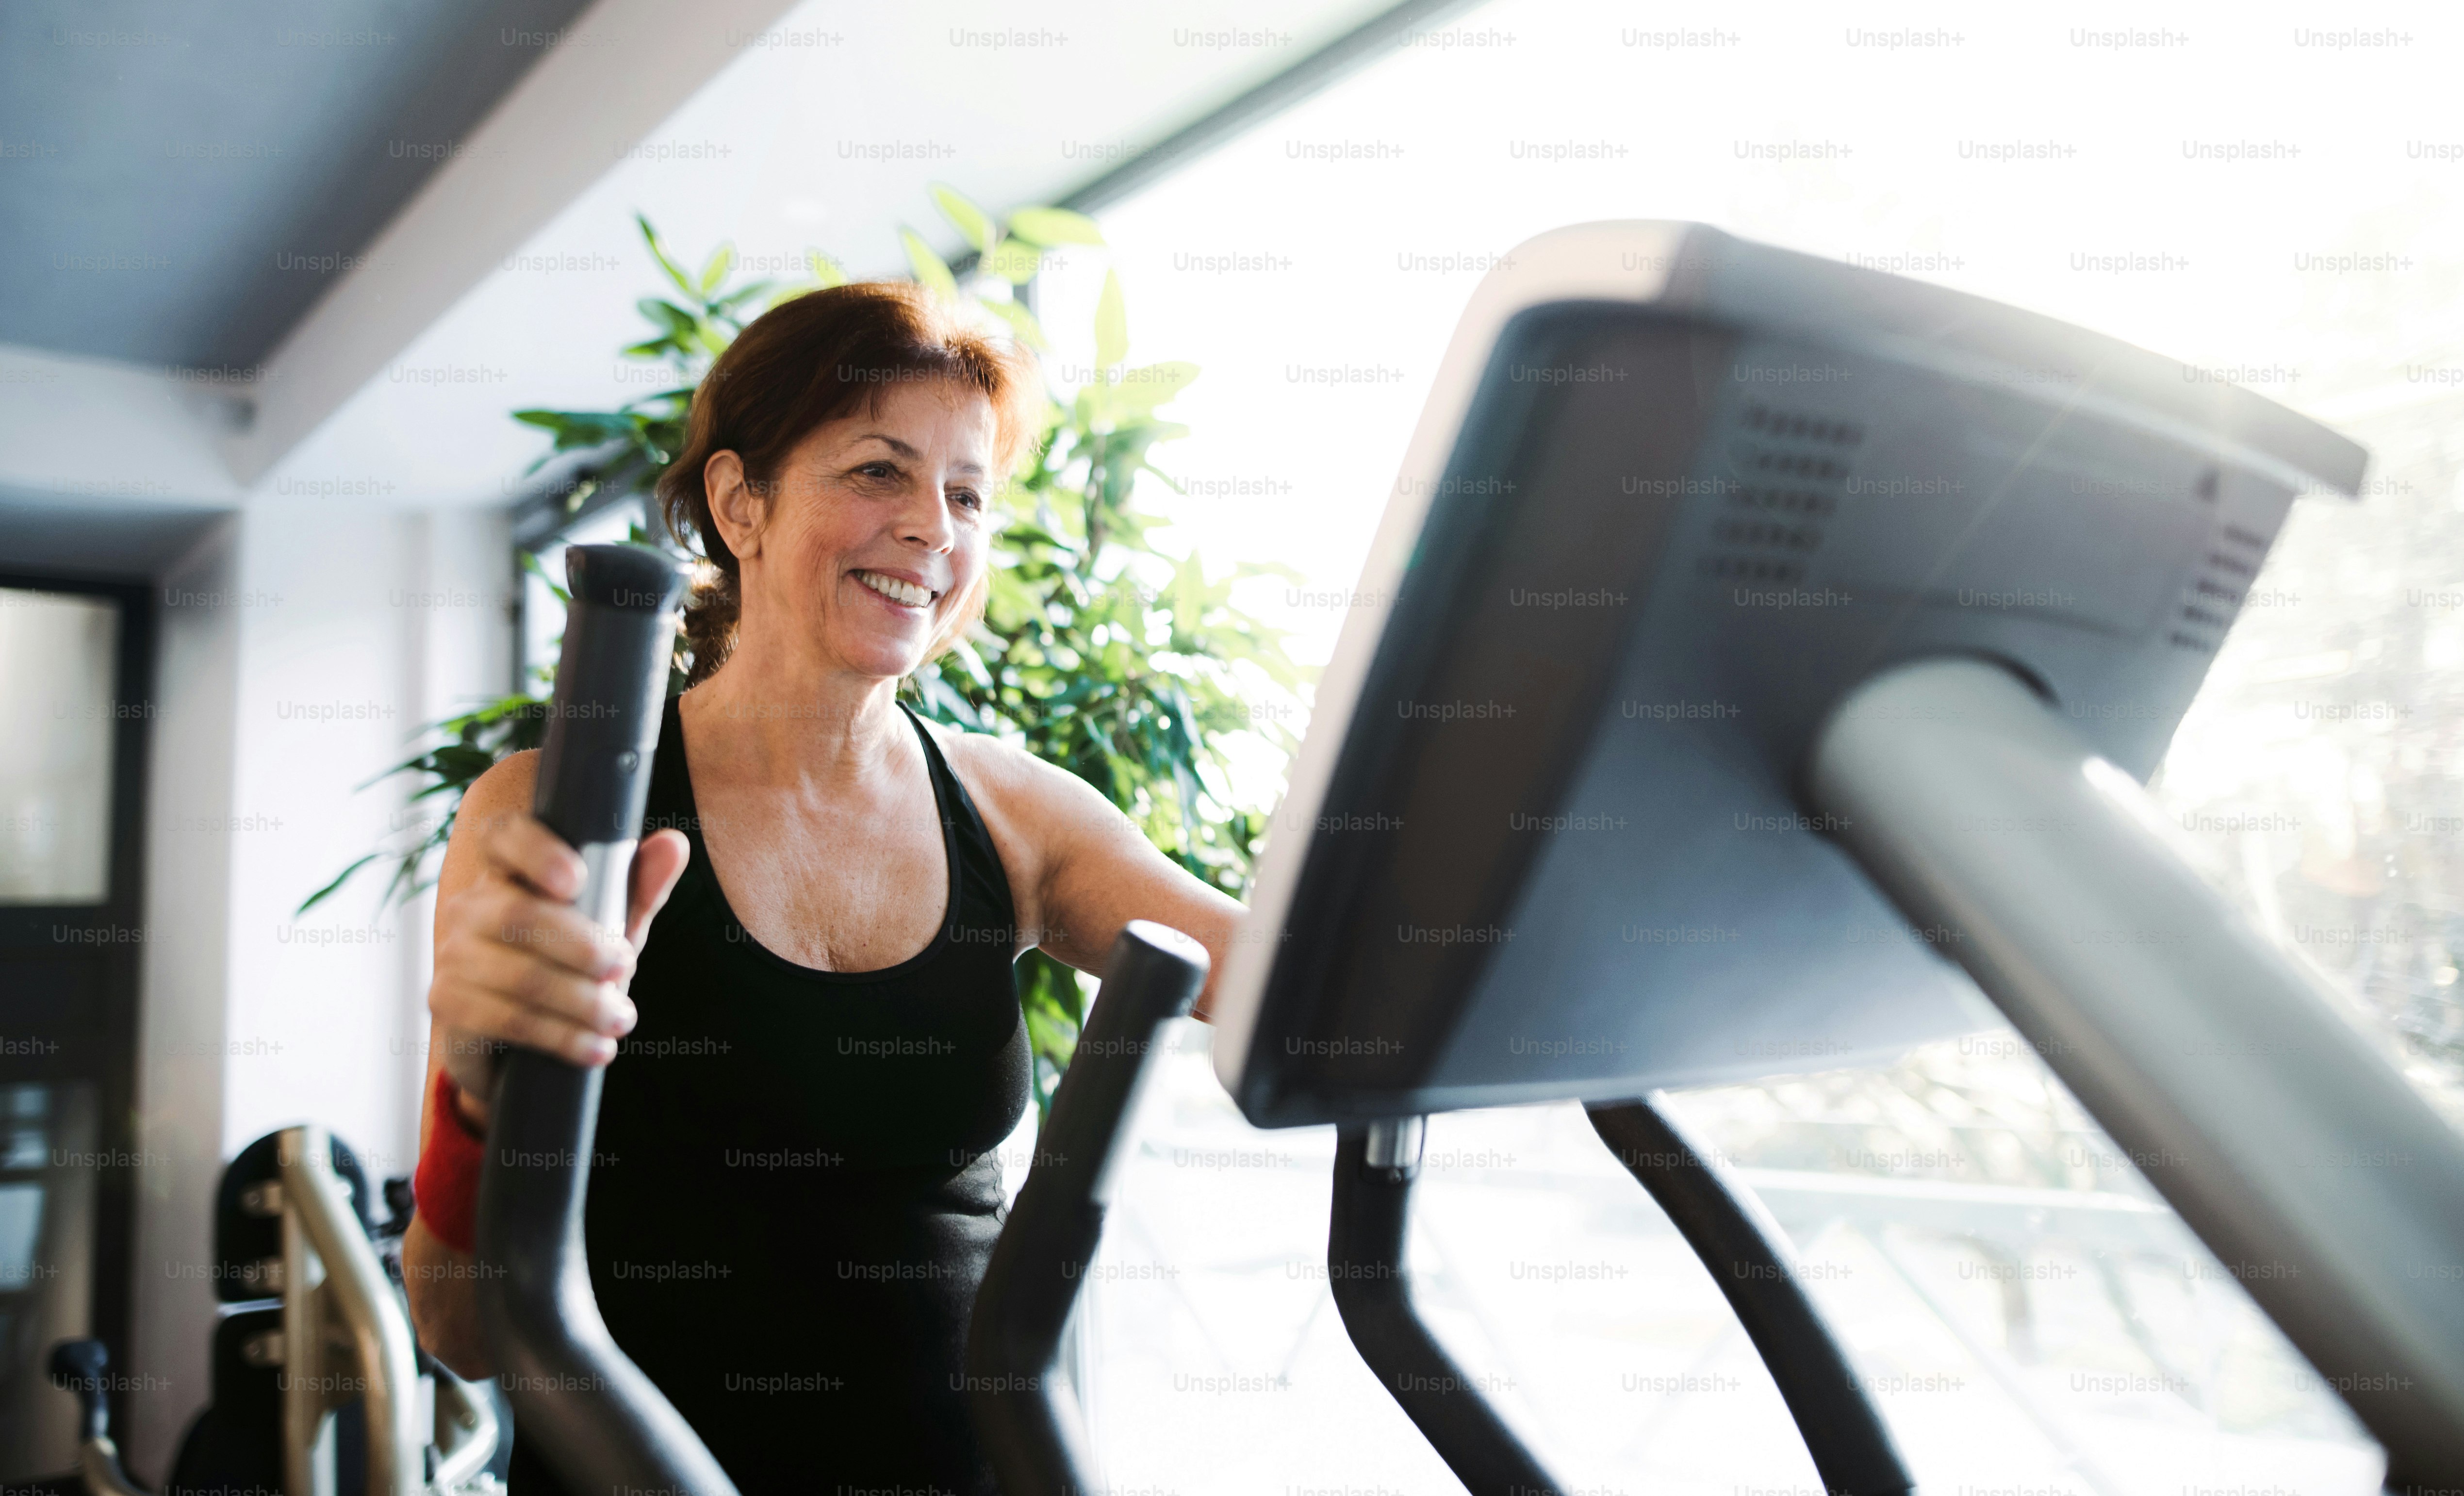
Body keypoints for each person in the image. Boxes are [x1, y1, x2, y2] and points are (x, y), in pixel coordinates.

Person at [402, 280, 1243, 1495]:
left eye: (967, 495)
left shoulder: (1017, 813)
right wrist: (478, 1096)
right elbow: (459, 1327)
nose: (932, 529)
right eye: (876, 473)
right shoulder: (557, 812)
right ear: (742, 503)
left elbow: (1308, 988)